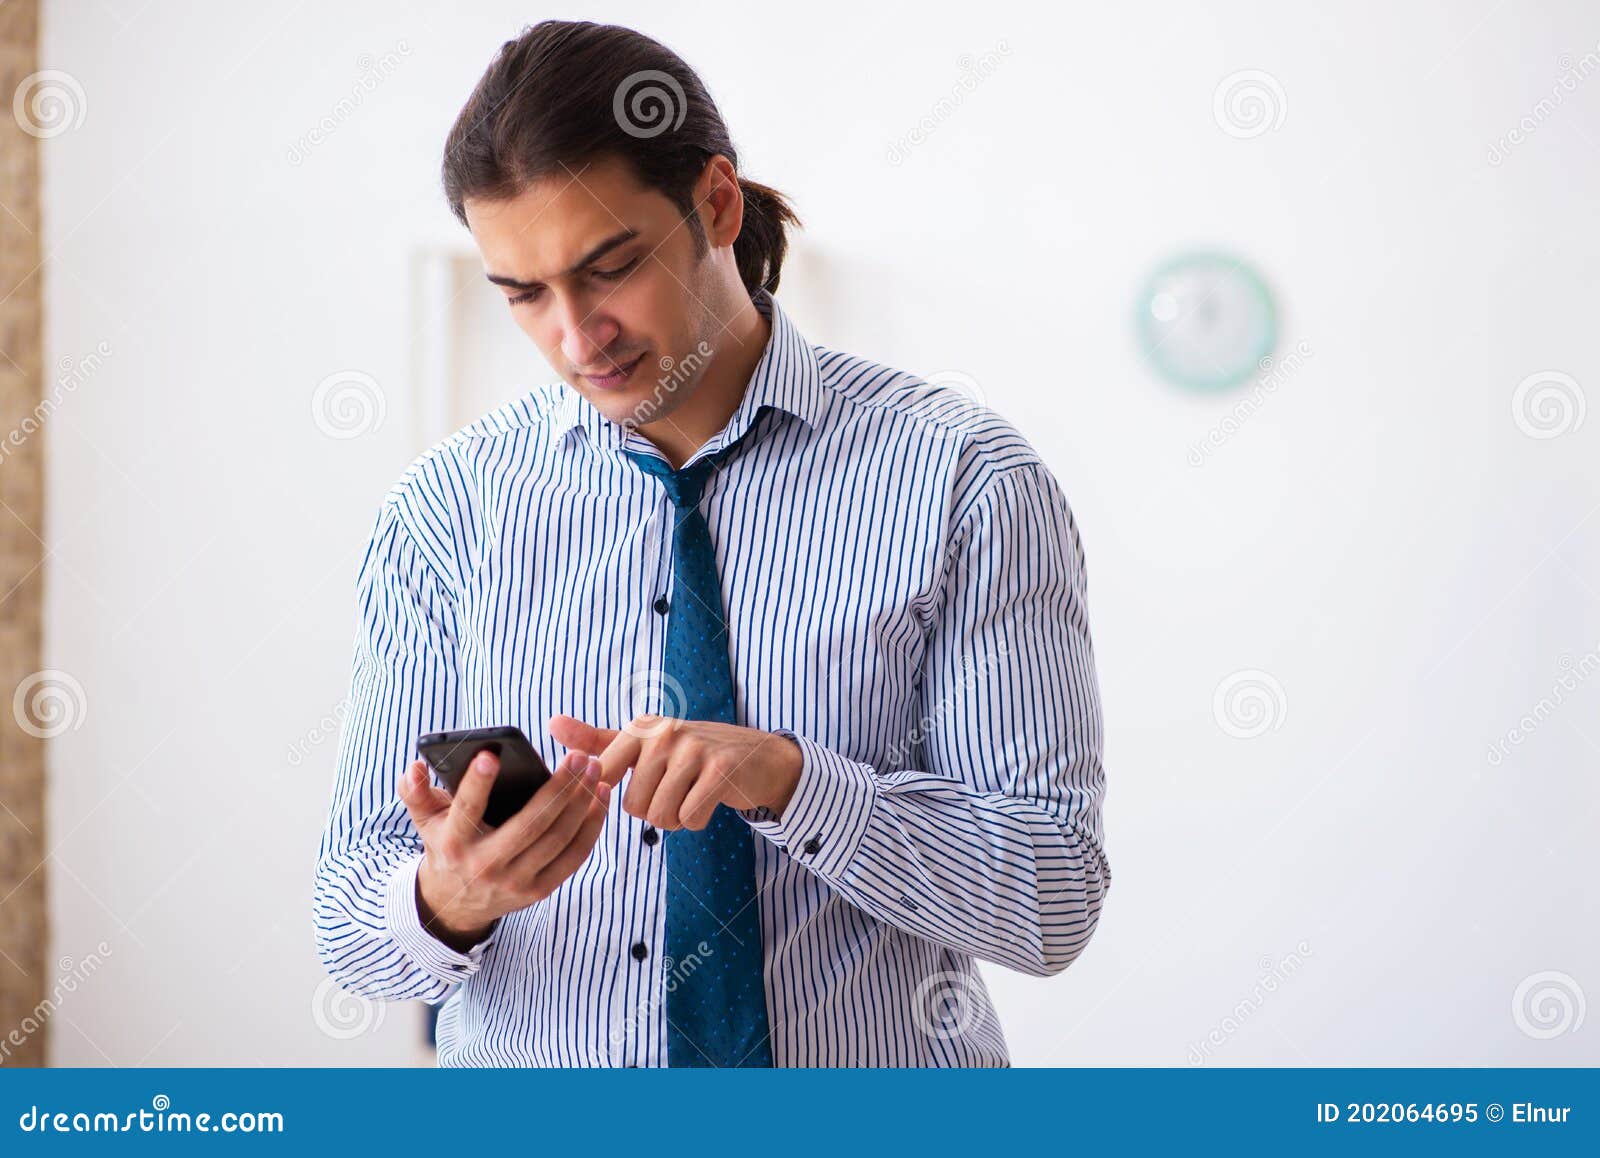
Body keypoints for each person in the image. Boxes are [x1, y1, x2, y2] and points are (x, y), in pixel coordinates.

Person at [313, 19, 1110, 1067]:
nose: (575, 335)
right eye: (524, 295)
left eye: (610, 268)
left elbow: (1050, 901)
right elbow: (346, 926)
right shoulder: (446, 512)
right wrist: (447, 899)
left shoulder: (964, 481)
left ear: (717, 205)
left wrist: (788, 780)